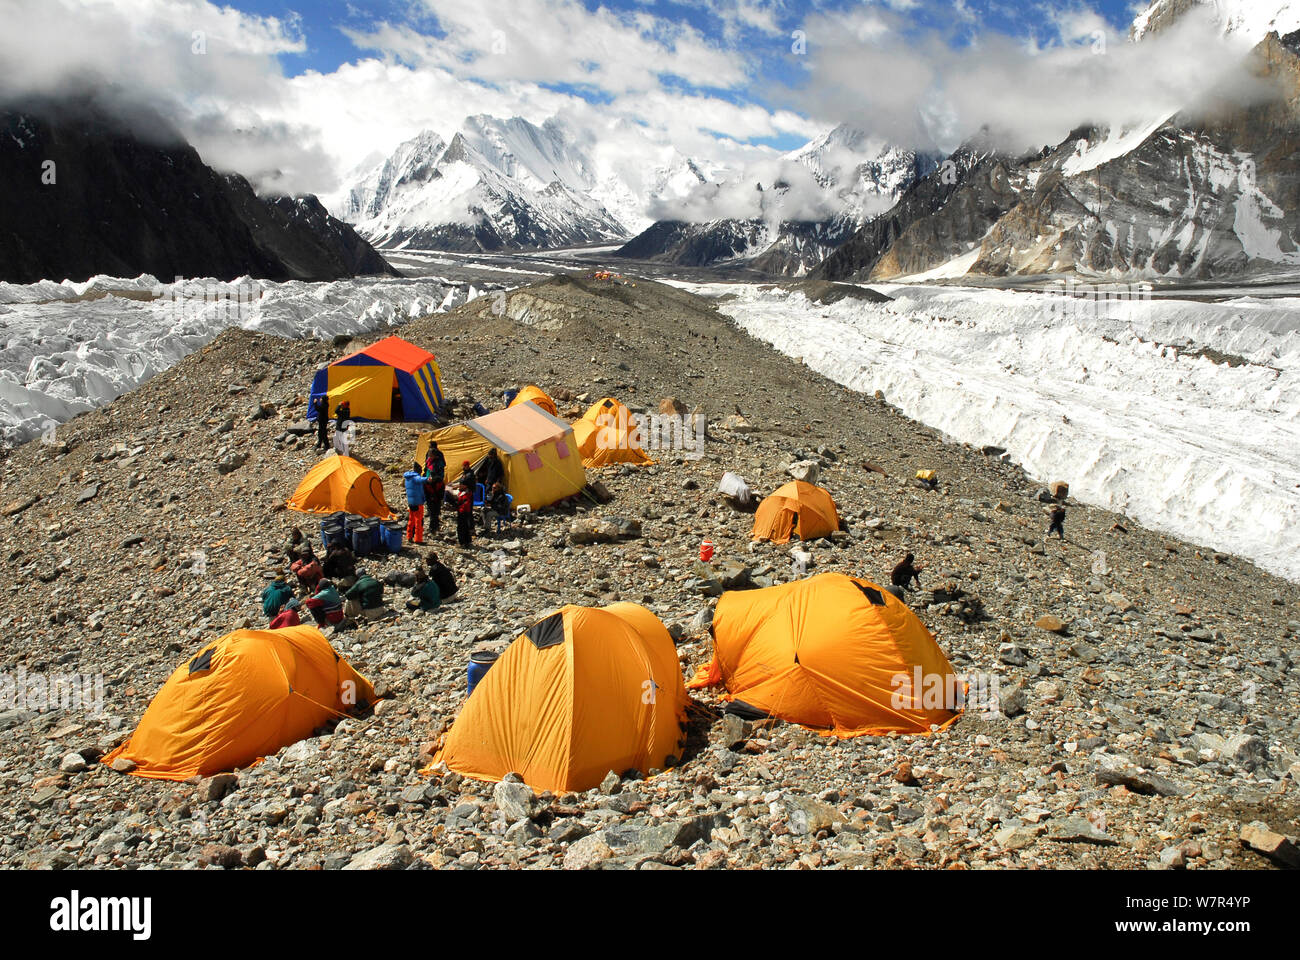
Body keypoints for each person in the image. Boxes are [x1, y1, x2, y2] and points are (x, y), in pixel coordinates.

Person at [424, 446, 447, 538]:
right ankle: (435, 527)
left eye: (430, 455)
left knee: (434, 510)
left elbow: (439, 477)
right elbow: (426, 472)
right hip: (430, 488)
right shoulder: (430, 462)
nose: (429, 457)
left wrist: (431, 480)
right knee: (433, 510)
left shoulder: (438, 464)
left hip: (435, 489)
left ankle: (432, 529)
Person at [403, 462, 426, 545]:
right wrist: (428, 478)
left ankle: (409, 536)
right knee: (418, 521)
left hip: (411, 502)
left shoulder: (408, 477)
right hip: (418, 502)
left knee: (411, 519)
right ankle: (418, 539)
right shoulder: (415, 477)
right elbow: (421, 480)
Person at [455, 482, 475, 548]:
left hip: (463, 512)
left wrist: (458, 507)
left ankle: (462, 543)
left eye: (461, 484)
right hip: (464, 512)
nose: (459, 486)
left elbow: (465, 504)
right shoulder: (464, 492)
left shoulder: (467, 494)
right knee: (465, 527)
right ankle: (467, 541)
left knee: (461, 528)